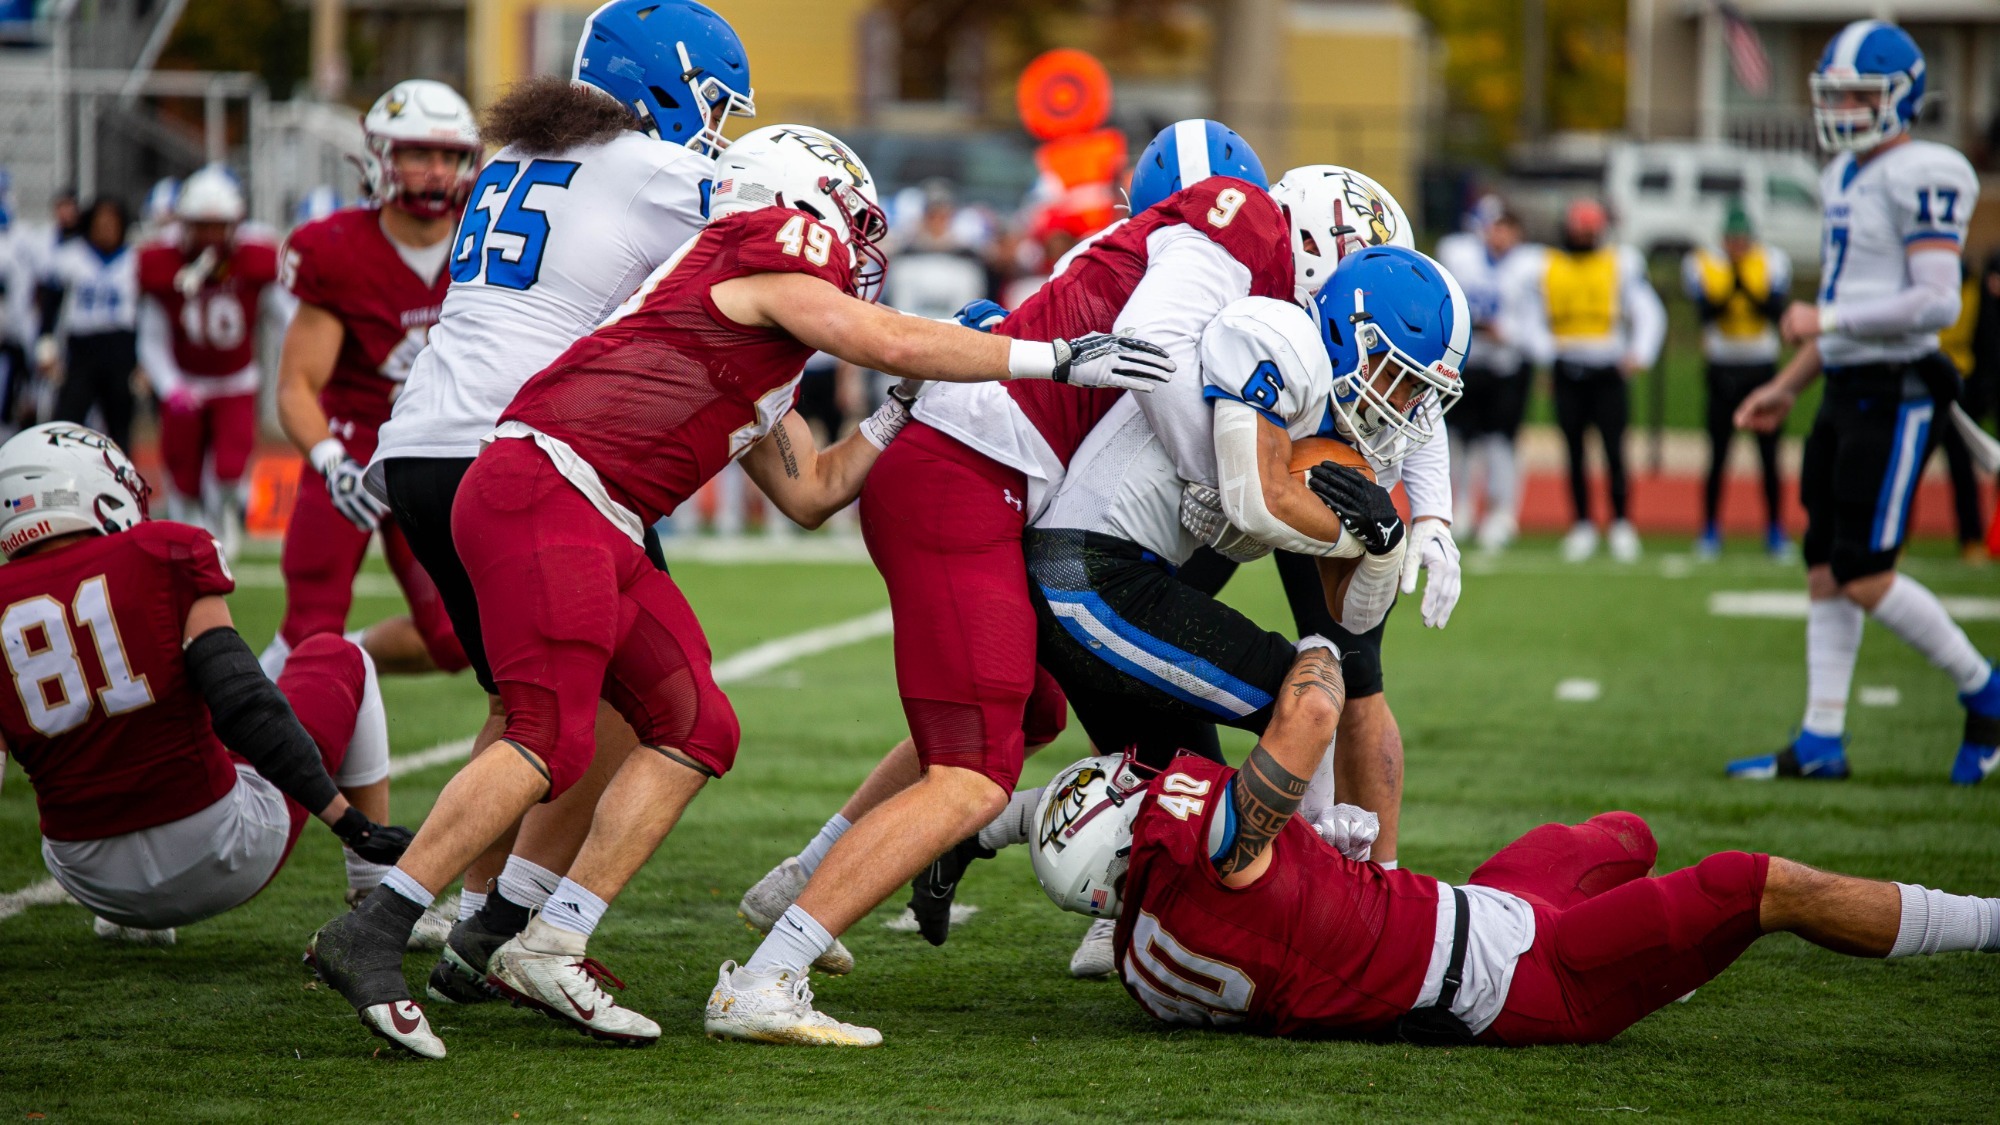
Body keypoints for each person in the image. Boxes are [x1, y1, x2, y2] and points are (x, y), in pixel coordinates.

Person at [304, 123, 1170, 1059]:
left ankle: (552, 942)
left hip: (598, 513)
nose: (859, 250)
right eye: (852, 221)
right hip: (548, 487)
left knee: (698, 724)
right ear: (802, 200)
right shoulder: (767, 240)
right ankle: (376, 928)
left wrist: (898, 407)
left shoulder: (738, 325)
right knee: (547, 731)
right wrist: (1045, 357)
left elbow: (812, 491)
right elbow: (866, 330)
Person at [720, 119, 1289, 1024]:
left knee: (1028, 709)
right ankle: (764, 974)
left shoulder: (1127, 247)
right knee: (974, 775)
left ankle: (805, 873)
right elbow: (1158, 372)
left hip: (972, 476)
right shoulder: (1222, 233)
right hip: (964, 479)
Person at [363, 0, 755, 1006]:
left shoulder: (511, 165)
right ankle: (486, 923)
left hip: (426, 451)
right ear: (659, 83)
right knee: (644, 704)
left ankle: (483, 912)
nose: (715, 126)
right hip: (531, 459)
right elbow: (778, 220)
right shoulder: (647, 167)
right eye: (710, 102)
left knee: (537, 702)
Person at [1028, 641, 2000, 1047]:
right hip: (1521, 979)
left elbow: (1280, 922)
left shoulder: (1144, 957)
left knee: (1616, 838)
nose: (1146, 783)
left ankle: (1672, 956)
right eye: (1130, 794)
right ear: (1127, 840)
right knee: (1754, 883)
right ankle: (1984, 925)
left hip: (1468, 914)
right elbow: (1312, 713)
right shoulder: (1202, 853)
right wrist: (1323, 637)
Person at [0, 423, 412, 946]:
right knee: (341, 655)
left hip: (86, 875)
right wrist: (352, 824)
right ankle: (374, 891)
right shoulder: (163, 552)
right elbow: (245, 706)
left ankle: (129, 920)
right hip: (219, 853)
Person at [1729, 20, 1998, 785]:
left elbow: (1937, 303)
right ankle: (1821, 739)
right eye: (1836, 94)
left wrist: (1828, 321)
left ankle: (1986, 690)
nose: (1844, 107)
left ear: (1902, 98)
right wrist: (1787, 383)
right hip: (1847, 385)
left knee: (1865, 570)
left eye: (1859, 95)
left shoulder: (1925, 169)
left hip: (1898, 388)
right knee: (1823, 563)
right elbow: (1853, 303)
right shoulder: (1846, 174)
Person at [261, 80, 482, 682]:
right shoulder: (336, 249)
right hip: (355, 445)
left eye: (450, 156)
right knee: (310, 623)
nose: (436, 172)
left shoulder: (487, 241)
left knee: (457, 638)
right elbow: (296, 386)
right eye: (418, 153)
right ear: (382, 156)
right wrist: (332, 461)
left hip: (435, 450)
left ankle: (348, 660)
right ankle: (243, 742)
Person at [137, 165, 284, 556]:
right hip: (186, 378)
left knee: (231, 467)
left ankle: (224, 520)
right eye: (201, 225)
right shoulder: (163, 261)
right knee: (181, 472)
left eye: (218, 226)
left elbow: (287, 316)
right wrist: (171, 386)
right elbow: (150, 338)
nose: (210, 237)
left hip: (236, 379)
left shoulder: (255, 257)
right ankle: (189, 530)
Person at [1512, 197, 1666, 563]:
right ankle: (1581, 523)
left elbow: (1649, 312)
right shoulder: (1546, 265)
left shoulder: (1619, 263)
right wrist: (1547, 355)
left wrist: (1639, 355)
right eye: (1578, 227)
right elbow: (1528, 318)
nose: (1582, 234)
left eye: (1589, 228)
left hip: (1608, 370)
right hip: (1568, 369)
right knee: (1574, 451)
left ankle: (1621, 523)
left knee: (1614, 450)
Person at [1682, 201, 1791, 561]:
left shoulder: (1771, 262)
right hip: (1722, 366)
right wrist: (1735, 284)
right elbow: (1707, 313)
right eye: (1732, 239)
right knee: (1718, 452)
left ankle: (1775, 527)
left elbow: (1772, 311)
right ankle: (1710, 527)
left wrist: (1740, 283)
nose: (1737, 245)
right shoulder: (1703, 264)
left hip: (1761, 367)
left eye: (1742, 239)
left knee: (1769, 454)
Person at [1436, 195, 1527, 552]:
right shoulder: (1461, 256)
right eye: (1494, 227)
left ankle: (1502, 512)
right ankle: (1461, 508)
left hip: (1507, 366)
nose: (1498, 235)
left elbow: (1538, 323)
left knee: (1500, 442)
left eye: (1505, 228)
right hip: (1468, 365)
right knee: (1458, 440)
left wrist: (1510, 333)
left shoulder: (1529, 266)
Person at [44, 198, 139, 450]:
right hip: (82, 349)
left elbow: (146, 314)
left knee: (120, 426)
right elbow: (50, 304)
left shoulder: (134, 259)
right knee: (66, 421)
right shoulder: (72, 256)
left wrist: (142, 362)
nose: (107, 228)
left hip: (120, 349)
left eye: (112, 223)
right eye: (101, 222)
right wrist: (46, 345)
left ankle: (121, 484)